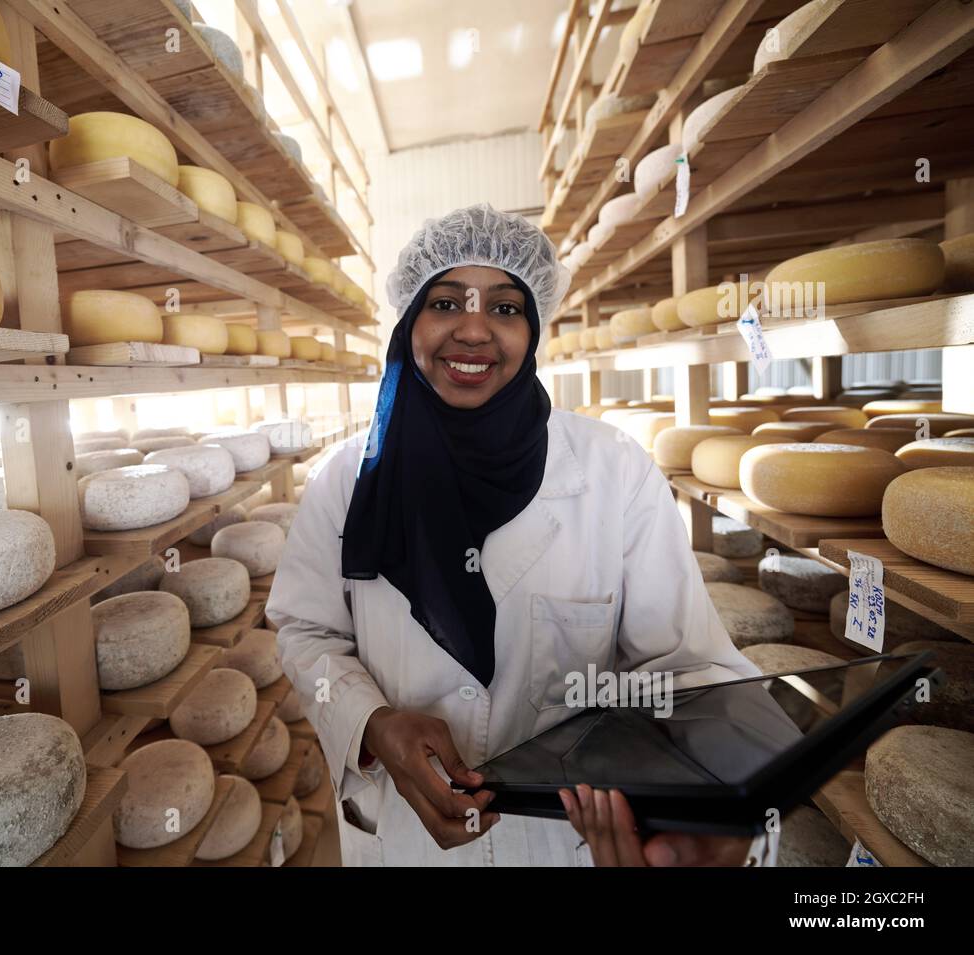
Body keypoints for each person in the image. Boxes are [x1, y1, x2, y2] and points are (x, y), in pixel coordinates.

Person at [266, 204, 776, 867]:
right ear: (409, 321)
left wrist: (724, 806)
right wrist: (373, 723)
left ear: (534, 328)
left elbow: (688, 670)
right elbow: (307, 633)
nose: (473, 331)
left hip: (564, 842)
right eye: (446, 302)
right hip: (406, 836)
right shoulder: (347, 481)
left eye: (505, 309)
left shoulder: (613, 471)